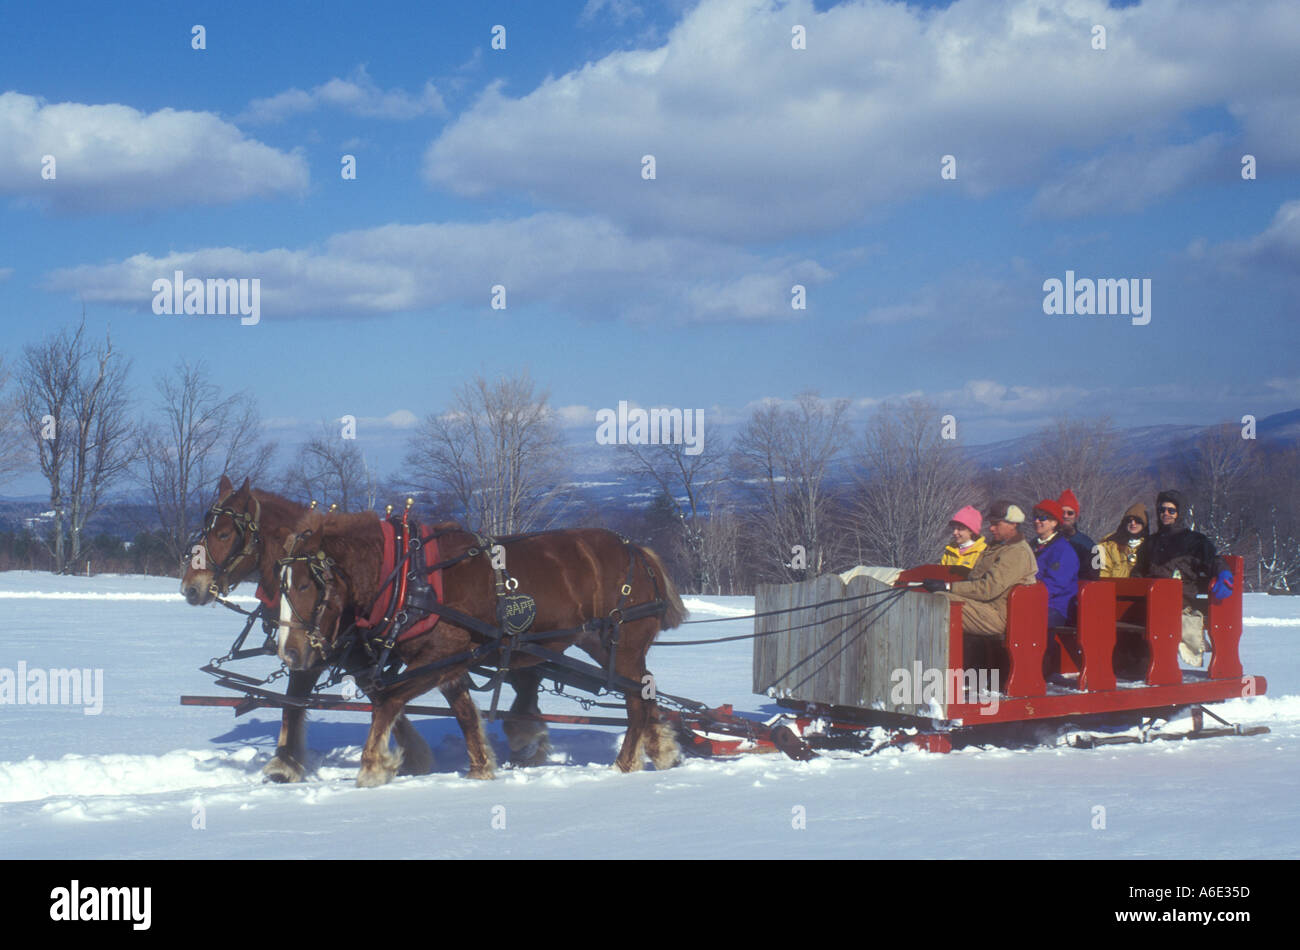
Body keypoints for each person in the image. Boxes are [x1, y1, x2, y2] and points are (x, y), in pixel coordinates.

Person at [1134, 489, 1233, 667]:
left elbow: (1213, 560)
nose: (1166, 514)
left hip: (1179, 599)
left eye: (1171, 510)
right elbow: (1139, 569)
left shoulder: (1195, 541)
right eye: (1162, 510)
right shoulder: (1151, 543)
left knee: (1159, 617)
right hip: (1150, 598)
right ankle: (1134, 664)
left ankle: (1161, 667)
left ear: (1179, 513)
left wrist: (1223, 574)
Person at [919, 501, 1037, 642]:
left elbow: (988, 588)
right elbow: (975, 576)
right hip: (984, 606)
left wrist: (949, 587)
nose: (991, 528)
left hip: (997, 614)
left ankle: (942, 658)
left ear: (1013, 524)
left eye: (996, 524)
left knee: (939, 601)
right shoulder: (998, 547)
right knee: (933, 597)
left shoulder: (1016, 552)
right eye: (990, 523)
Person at [1031, 499, 1080, 627]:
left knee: (1028, 621)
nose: (1037, 521)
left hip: (1056, 605)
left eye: (1042, 518)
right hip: (1031, 599)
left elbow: (1055, 584)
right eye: (1035, 517)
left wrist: (1028, 596)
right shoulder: (1031, 546)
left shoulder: (1063, 550)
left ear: (1054, 522)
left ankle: (1048, 648)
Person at [1097, 502, 1149, 579]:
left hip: (1140, 589)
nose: (1133, 523)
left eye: (1137, 520)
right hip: (1113, 589)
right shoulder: (1109, 544)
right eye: (1129, 520)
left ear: (1144, 524)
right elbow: (1102, 572)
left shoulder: (1150, 545)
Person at [1057, 489, 1098, 581]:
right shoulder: (1045, 541)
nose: (1065, 516)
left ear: (1076, 516)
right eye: (1062, 512)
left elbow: (1093, 577)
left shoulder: (1087, 545)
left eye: (1070, 513)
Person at [939, 505, 986, 578]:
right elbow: (940, 572)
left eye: (960, 529)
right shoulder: (950, 549)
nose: (954, 532)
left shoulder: (983, 552)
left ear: (971, 531)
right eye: (954, 528)